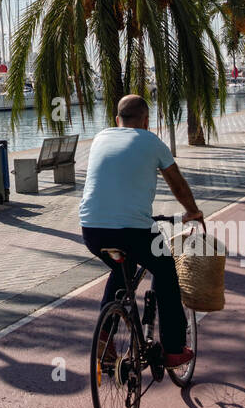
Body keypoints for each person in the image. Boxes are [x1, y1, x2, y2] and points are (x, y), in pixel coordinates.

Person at [80, 95, 204, 369]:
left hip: (91, 229)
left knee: (120, 267)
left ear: (117, 120)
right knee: (165, 269)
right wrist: (192, 211)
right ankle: (173, 348)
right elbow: (178, 184)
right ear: (146, 121)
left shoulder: (100, 138)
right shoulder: (152, 142)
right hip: (133, 230)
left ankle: (105, 332)